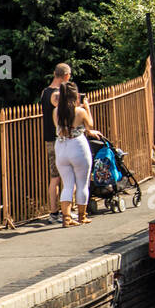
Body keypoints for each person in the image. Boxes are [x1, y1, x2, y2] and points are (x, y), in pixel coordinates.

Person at [53, 82, 96, 227]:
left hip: (61, 146)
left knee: (68, 185)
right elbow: (90, 125)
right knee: (82, 183)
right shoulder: (80, 112)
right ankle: (82, 216)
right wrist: (87, 108)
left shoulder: (56, 111)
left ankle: (66, 218)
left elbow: (59, 128)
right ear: (75, 95)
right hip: (77, 146)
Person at [41, 63, 70, 223]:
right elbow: (65, 113)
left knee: (55, 177)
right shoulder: (57, 95)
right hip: (58, 139)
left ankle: (55, 212)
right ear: (65, 76)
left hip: (49, 138)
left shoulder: (44, 92)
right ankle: (59, 212)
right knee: (60, 177)